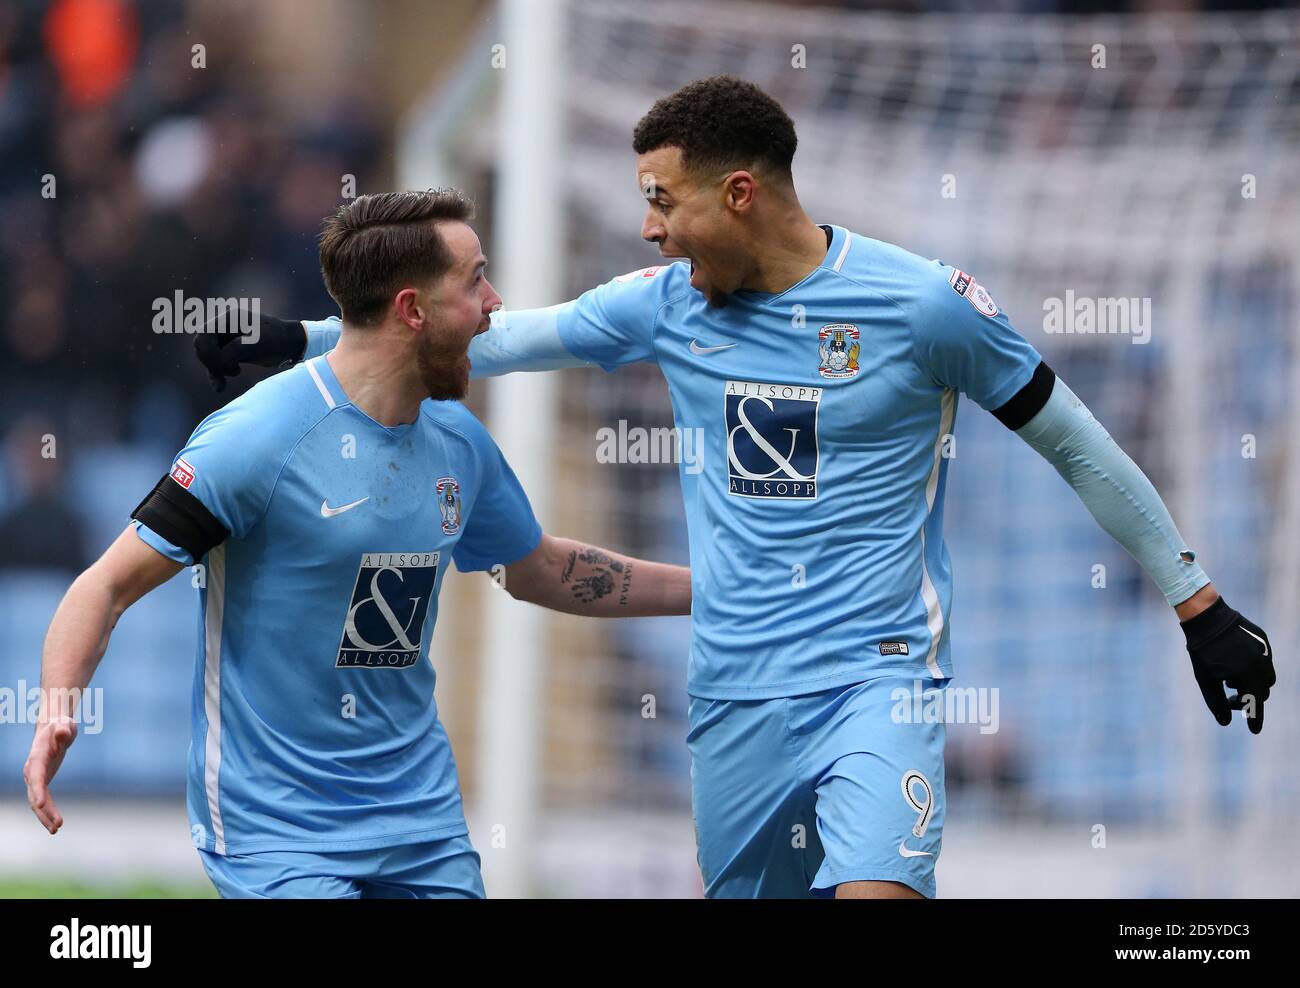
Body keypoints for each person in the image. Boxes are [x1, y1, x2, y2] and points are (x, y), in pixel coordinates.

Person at [196, 78, 1275, 900]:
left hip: (877, 679)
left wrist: (1198, 602)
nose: (650, 226)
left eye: (663, 200)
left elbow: (1076, 442)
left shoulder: (922, 309)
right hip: (734, 697)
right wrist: (303, 338)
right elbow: (507, 334)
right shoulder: (664, 304)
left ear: (740, 192)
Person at [25, 189, 692, 899]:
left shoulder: (459, 442)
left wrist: (712, 593)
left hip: (422, 827)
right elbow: (104, 585)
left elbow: (542, 568)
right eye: (475, 281)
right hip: (278, 833)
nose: (495, 302)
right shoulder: (255, 440)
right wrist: (57, 707)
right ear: (411, 310)